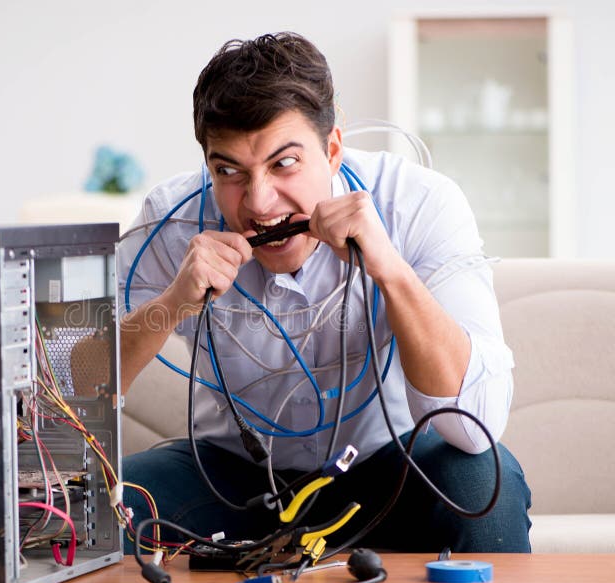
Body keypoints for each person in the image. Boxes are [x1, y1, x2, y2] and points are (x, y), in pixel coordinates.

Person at [117, 32, 531, 554]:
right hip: (233, 479)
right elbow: (76, 391)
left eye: (283, 163)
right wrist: (172, 302)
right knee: (104, 509)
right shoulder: (168, 224)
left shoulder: (419, 204)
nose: (260, 203)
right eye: (229, 172)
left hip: (387, 468)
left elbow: (473, 431)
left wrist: (392, 274)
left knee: (483, 487)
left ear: (332, 149)